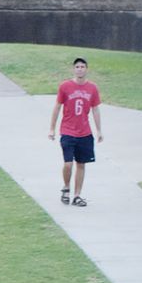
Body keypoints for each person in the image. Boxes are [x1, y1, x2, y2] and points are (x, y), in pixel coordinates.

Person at [49, 57, 103, 207]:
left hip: (85, 132)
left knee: (81, 164)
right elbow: (57, 107)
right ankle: (66, 187)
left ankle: (77, 195)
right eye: (77, 67)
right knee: (68, 163)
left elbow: (95, 109)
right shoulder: (65, 86)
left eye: (82, 67)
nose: (80, 69)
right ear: (73, 69)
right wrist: (52, 128)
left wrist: (99, 130)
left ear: (87, 69)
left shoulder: (92, 88)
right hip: (68, 131)